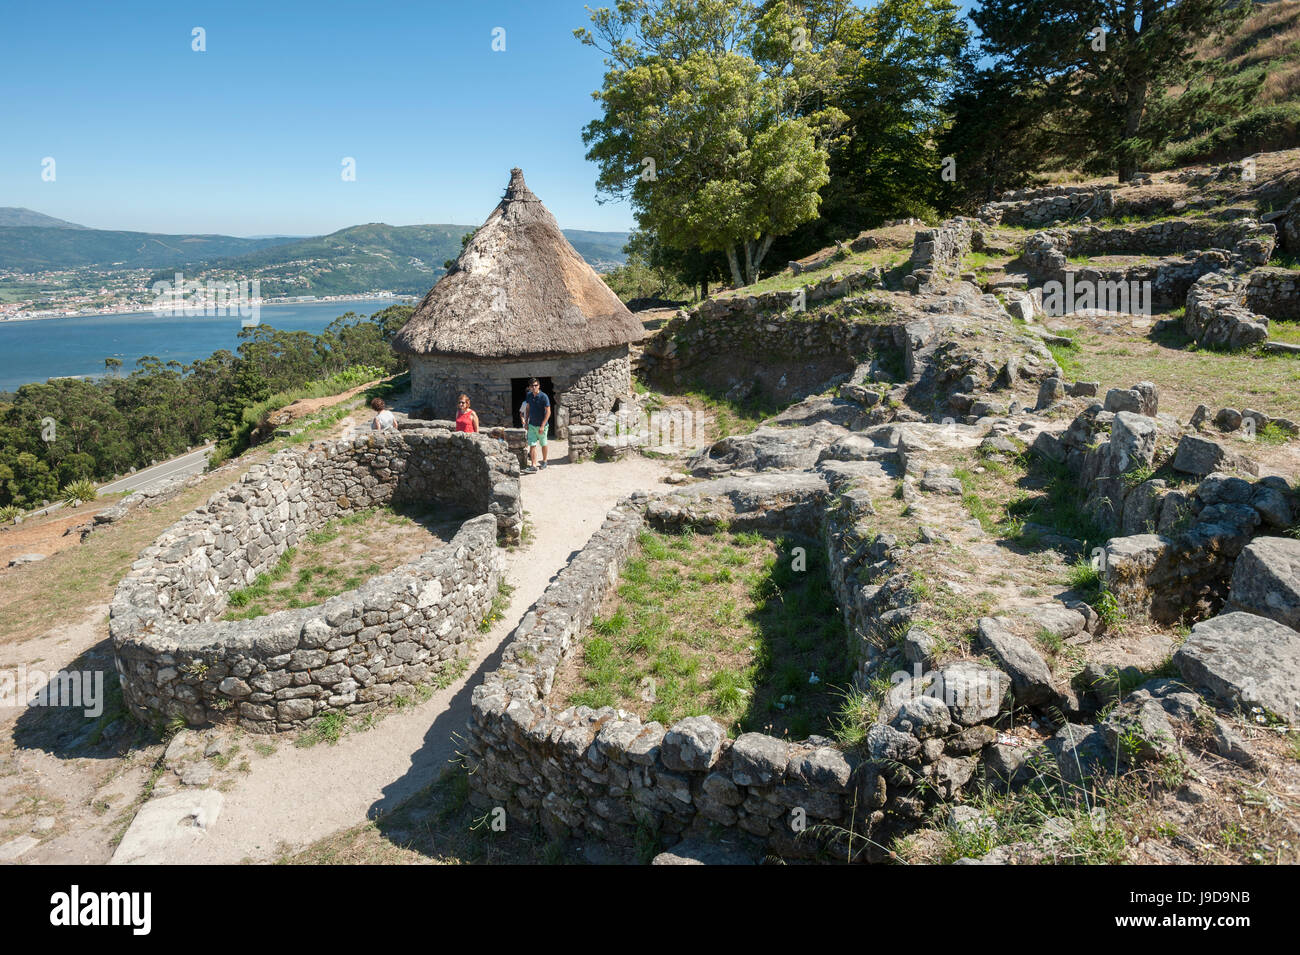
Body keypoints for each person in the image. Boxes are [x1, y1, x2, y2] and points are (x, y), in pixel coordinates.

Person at [520, 378, 551, 472]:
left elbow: (548, 412)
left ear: (539, 386)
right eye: (532, 386)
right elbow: (528, 408)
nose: (534, 387)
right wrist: (526, 421)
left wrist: (542, 425)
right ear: (529, 387)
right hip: (532, 425)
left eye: (536, 385)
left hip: (542, 425)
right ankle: (533, 465)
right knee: (532, 444)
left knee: (543, 443)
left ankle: (545, 461)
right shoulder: (529, 396)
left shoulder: (544, 396)